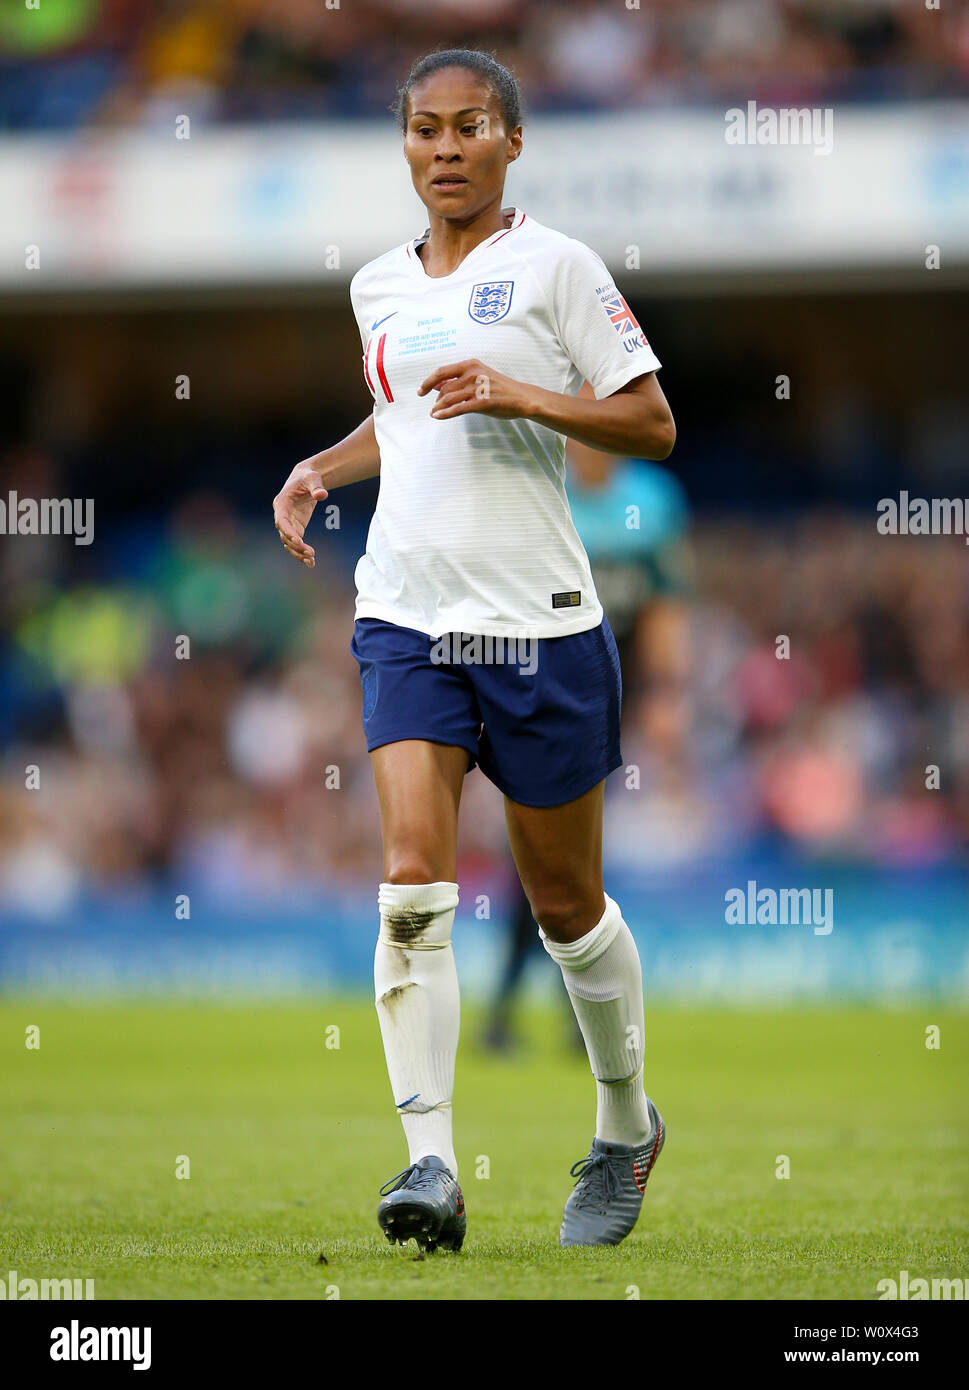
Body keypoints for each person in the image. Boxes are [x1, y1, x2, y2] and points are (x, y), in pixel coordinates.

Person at [272, 48, 675, 1251]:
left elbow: (651, 421)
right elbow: (406, 419)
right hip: (406, 616)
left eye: (470, 127)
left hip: (541, 624)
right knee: (411, 881)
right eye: (426, 129)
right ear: (404, 145)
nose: (446, 148)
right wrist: (321, 468)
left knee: (566, 907)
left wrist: (524, 395)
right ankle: (430, 1166)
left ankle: (624, 1124)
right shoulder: (374, 290)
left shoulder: (556, 268)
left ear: (511, 142)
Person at [484, 420, 694, 1053]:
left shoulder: (654, 501)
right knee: (542, 853)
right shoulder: (543, 489)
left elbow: (665, 601)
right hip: (546, 693)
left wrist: (664, 692)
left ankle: (548, 1007)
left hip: (614, 699)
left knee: (574, 856)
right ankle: (534, 1004)